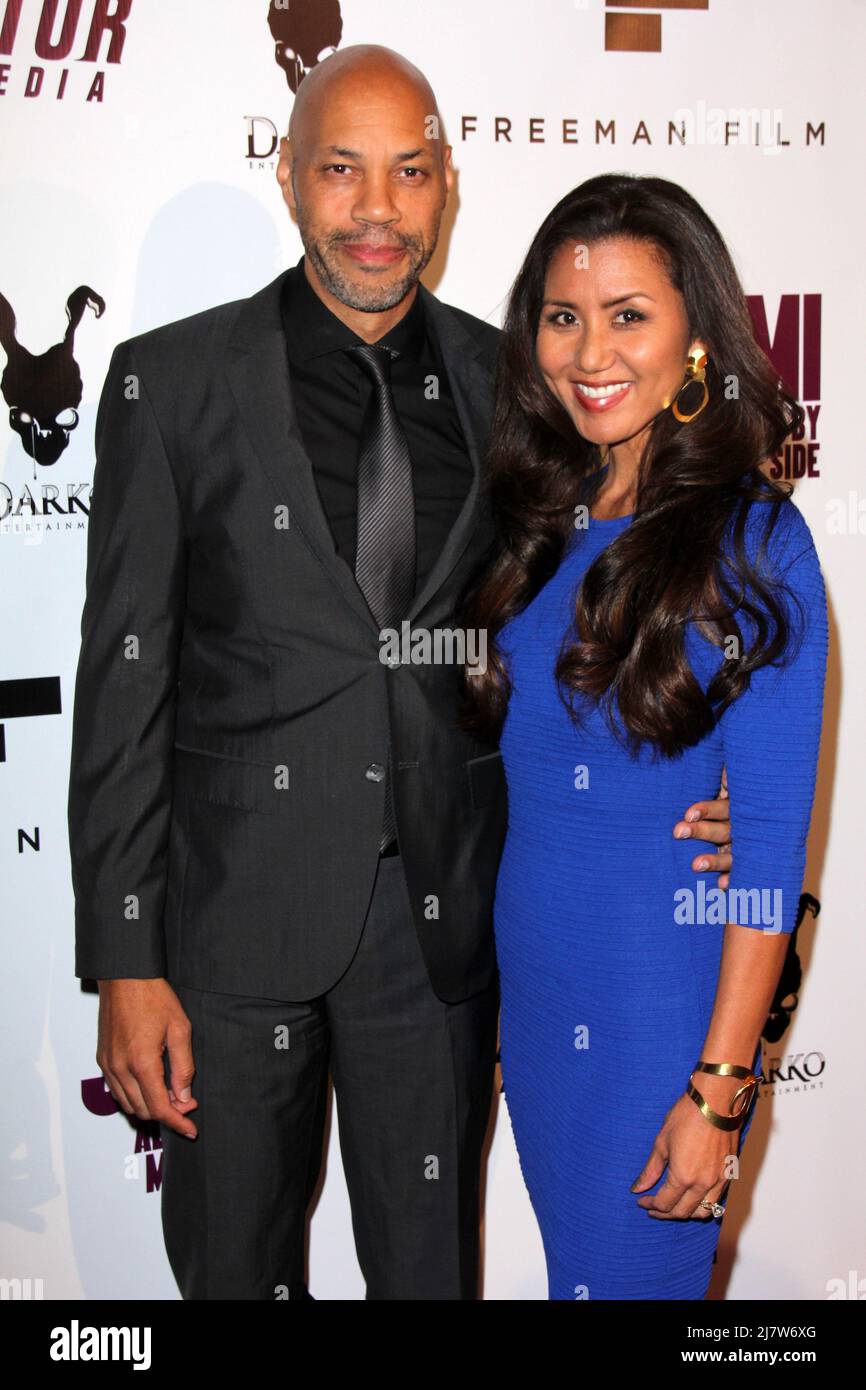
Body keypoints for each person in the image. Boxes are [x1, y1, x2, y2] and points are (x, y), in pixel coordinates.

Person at [68, 51, 735, 1300]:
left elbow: (602, 611)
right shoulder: (172, 385)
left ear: (445, 189)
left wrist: (707, 781)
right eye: (341, 168)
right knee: (232, 1276)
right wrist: (125, 956)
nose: (377, 208)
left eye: (410, 171)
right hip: (223, 933)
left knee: (428, 1276)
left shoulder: (518, 385)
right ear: (288, 177)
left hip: (440, 935)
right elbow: (122, 682)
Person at [460, 172, 829, 1300]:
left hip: (653, 1020)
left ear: (697, 340)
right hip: (534, 1003)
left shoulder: (757, 541)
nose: (588, 351)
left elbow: (761, 863)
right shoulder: (533, 523)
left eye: (629, 316)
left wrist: (718, 1093)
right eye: (563, 316)